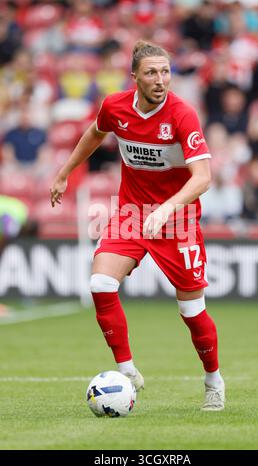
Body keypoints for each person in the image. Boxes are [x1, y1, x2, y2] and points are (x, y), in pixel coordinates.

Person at [50, 41, 225, 411]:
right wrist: (65, 173)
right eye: (151, 72)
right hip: (131, 212)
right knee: (100, 283)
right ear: (135, 78)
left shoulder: (182, 115)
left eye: (165, 71)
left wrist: (167, 208)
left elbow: (203, 177)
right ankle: (127, 372)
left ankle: (213, 380)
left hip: (177, 219)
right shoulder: (114, 106)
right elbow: (95, 133)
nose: (160, 80)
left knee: (192, 312)